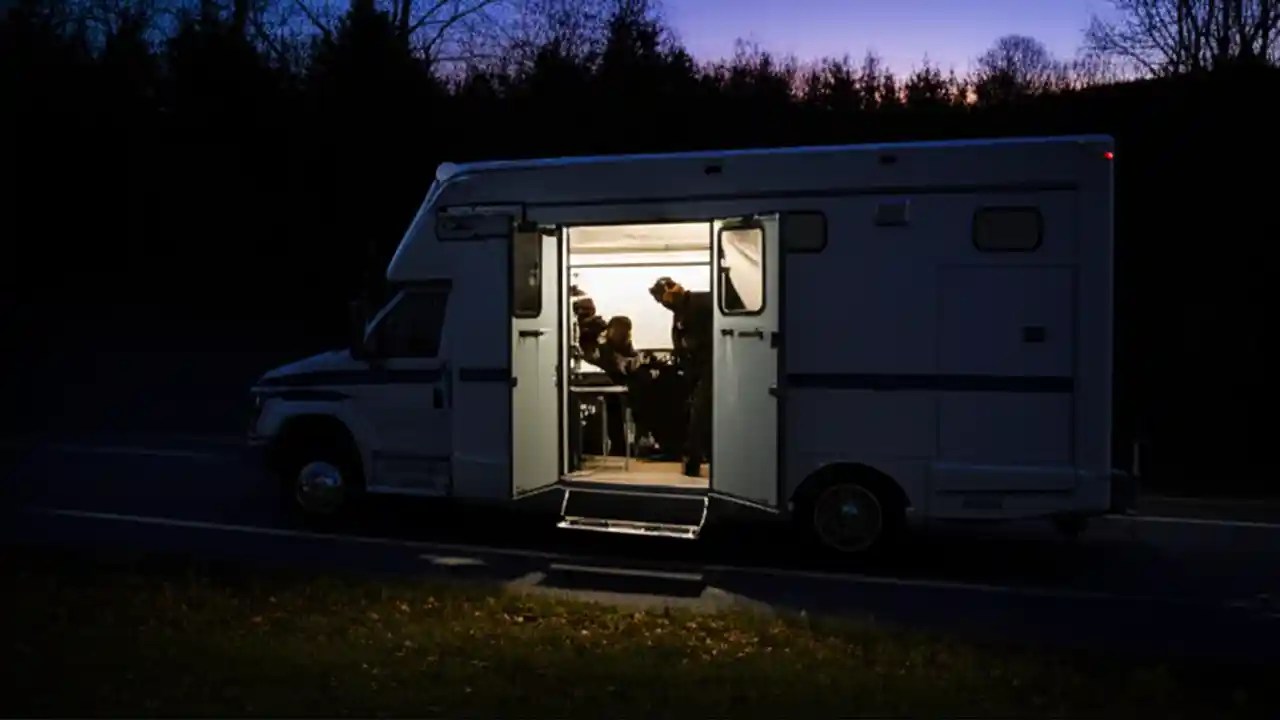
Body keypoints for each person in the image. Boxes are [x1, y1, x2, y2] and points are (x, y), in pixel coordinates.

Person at [649, 276, 713, 478]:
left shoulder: (702, 302)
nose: (663, 303)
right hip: (695, 369)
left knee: (701, 412)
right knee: (696, 411)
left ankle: (693, 458)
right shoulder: (679, 312)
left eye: (662, 298)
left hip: (710, 366)